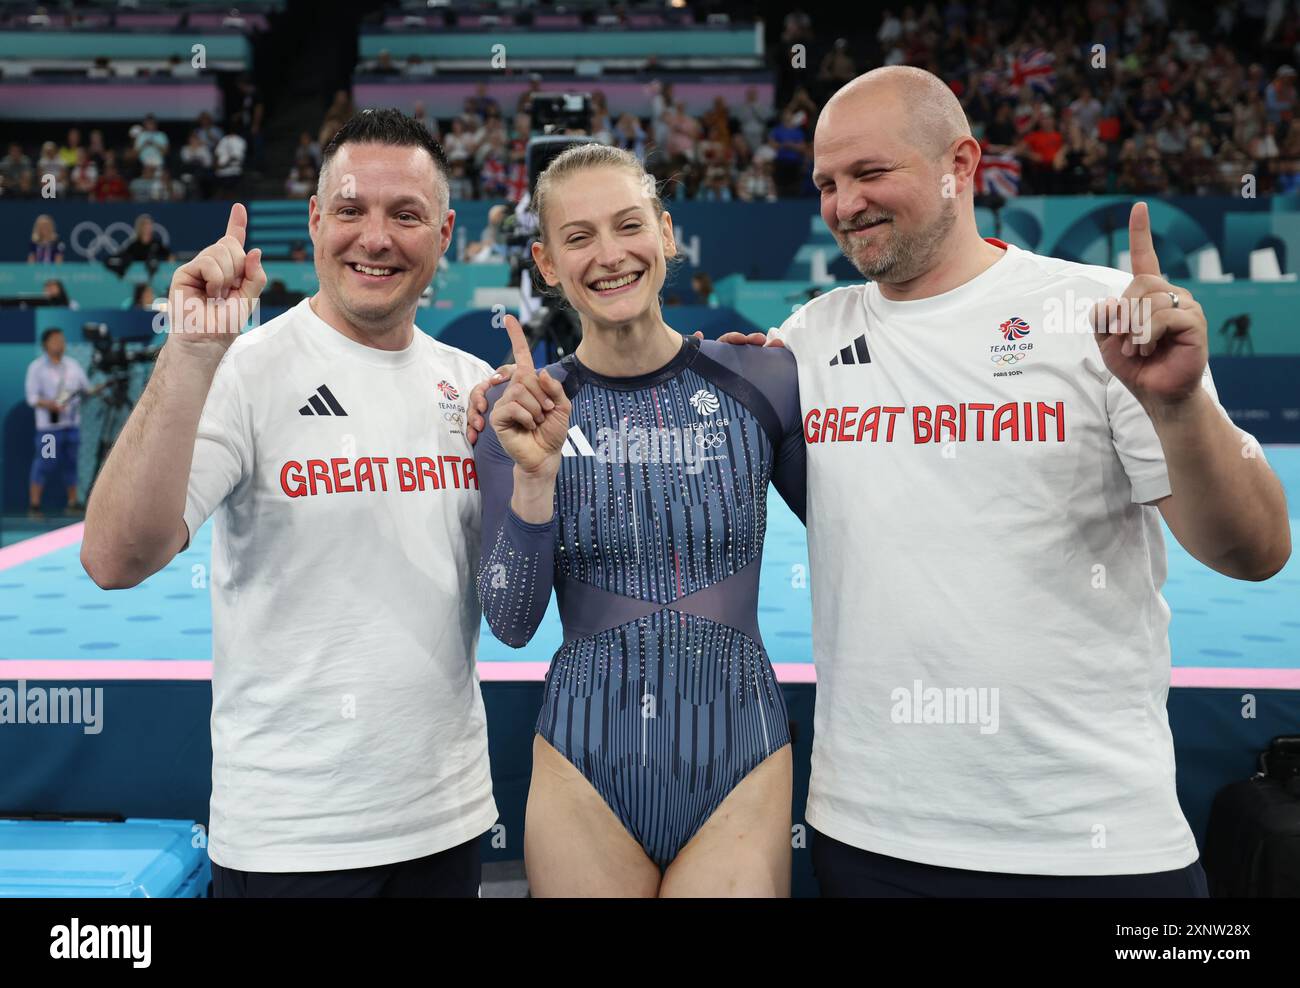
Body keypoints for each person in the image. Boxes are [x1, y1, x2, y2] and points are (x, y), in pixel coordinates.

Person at [734, 66, 1290, 896]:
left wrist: (1176, 411)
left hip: (1090, 843)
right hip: (870, 833)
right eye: (826, 183)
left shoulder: (1099, 317)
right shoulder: (814, 337)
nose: (845, 204)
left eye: (871, 173)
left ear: (962, 164)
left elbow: (1257, 552)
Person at [80, 110, 499, 898]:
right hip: (290, 839)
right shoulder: (240, 370)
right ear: (314, 220)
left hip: (446, 820)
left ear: (444, 233)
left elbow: (520, 599)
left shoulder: (473, 386)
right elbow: (113, 559)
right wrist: (190, 352)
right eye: (350, 210)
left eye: (405, 215)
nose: (375, 238)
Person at [474, 144, 806, 897]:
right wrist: (535, 480)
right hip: (583, 769)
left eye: (629, 226)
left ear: (665, 234)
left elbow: (868, 533)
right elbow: (512, 621)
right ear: (548, 263)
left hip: (741, 761)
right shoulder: (517, 413)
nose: (610, 254)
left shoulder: (764, 382)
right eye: (579, 236)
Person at [26, 328, 91, 517]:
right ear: (46, 344)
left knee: (71, 463)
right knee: (45, 463)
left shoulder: (73, 365)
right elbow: (32, 398)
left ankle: (72, 502)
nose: (60, 343)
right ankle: (35, 505)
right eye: (55, 340)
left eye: (62, 340)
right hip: (49, 429)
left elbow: (85, 389)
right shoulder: (36, 368)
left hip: (71, 426)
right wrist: (51, 405)